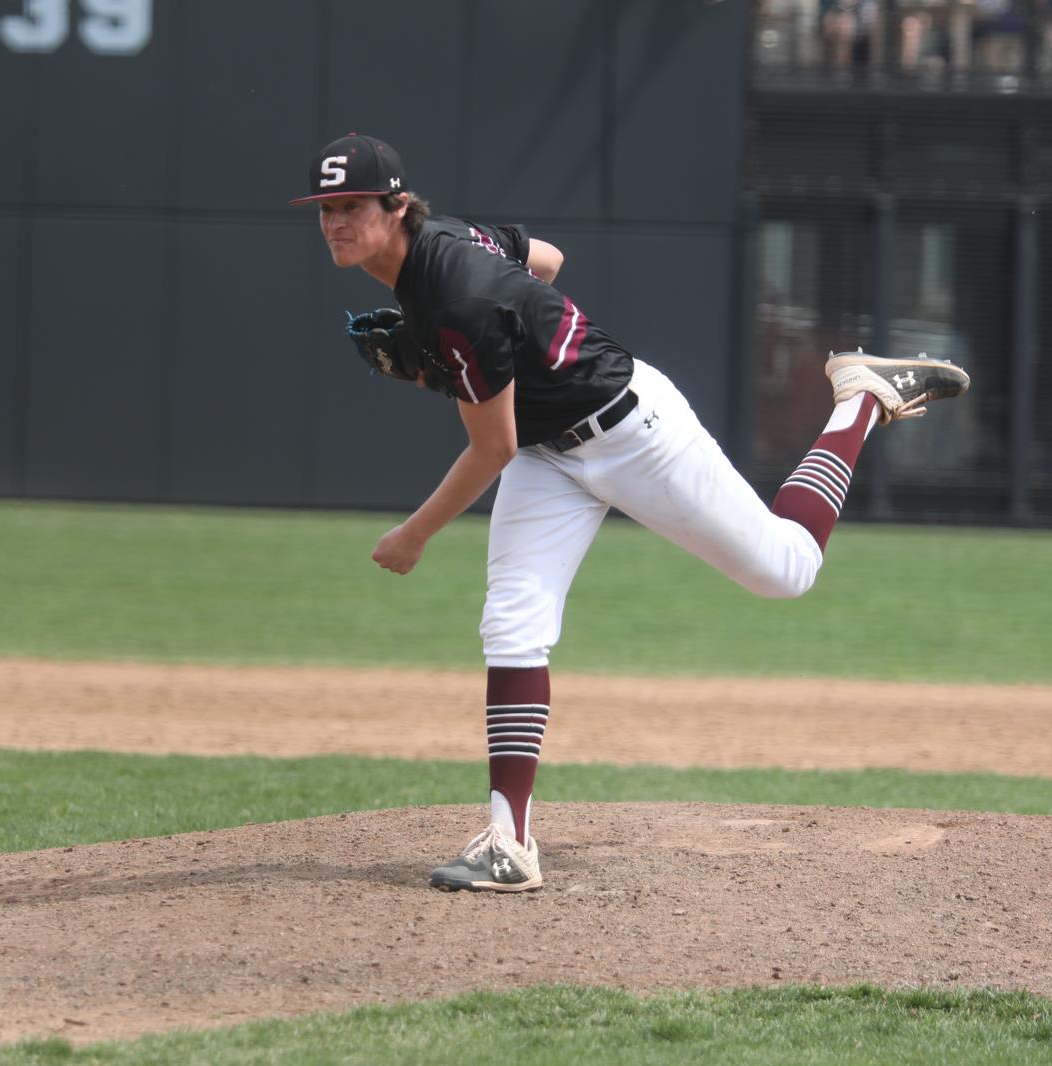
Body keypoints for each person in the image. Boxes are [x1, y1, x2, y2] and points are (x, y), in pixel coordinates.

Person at [291, 133, 969, 893]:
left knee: (787, 569)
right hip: (549, 452)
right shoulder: (445, 248)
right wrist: (496, 343)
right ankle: (509, 843)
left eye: (352, 206)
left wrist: (415, 534)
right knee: (512, 622)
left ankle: (860, 402)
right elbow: (546, 261)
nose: (335, 222)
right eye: (325, 209)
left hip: (632, 431)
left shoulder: (456, 296)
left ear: (395, 206)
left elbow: (492, 446)